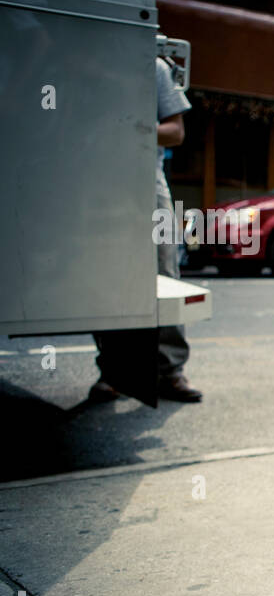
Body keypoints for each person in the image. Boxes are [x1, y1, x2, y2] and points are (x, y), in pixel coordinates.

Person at [90, 54, 203, 404]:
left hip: (146, 183)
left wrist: (131, 128)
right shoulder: (88, 64)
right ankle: (112, 372)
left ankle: (170, 371)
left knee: (164, 273)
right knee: (108, 278)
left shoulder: (152, 65)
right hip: (98, 184)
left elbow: (176, 132)